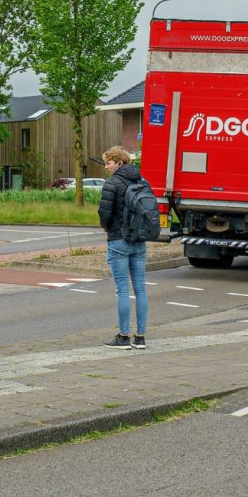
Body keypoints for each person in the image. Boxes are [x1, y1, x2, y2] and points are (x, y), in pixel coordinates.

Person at [97, 146, 149, 349]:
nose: (106, 167)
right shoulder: (142, 181)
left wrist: (108, 228)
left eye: (108, 163)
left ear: (119, 163)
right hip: (139, 240)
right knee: (141, 288)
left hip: (119, 240)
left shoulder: (112, 183)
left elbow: (104, 213)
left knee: (122, 289)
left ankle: (123, 336)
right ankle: (141, 337)